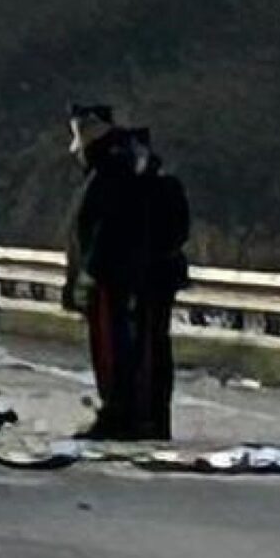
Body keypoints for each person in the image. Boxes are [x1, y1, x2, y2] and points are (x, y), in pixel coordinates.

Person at [64, 103, 151, 440]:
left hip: (110, 278)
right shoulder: (117, 167)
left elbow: (105, 227)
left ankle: (118, 413)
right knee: (116, 345)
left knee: (113, 346)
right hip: (115, 274)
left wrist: (90, 271)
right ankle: (121, 410)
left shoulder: (110, 172)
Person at [129, 128, 191, 441]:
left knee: (149, 346)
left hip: (152, 277)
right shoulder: (163, 187)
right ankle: (152, 416)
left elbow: (176, 231)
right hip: (157, 275)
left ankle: (150, 416)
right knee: (152, 346)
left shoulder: (152, 188)